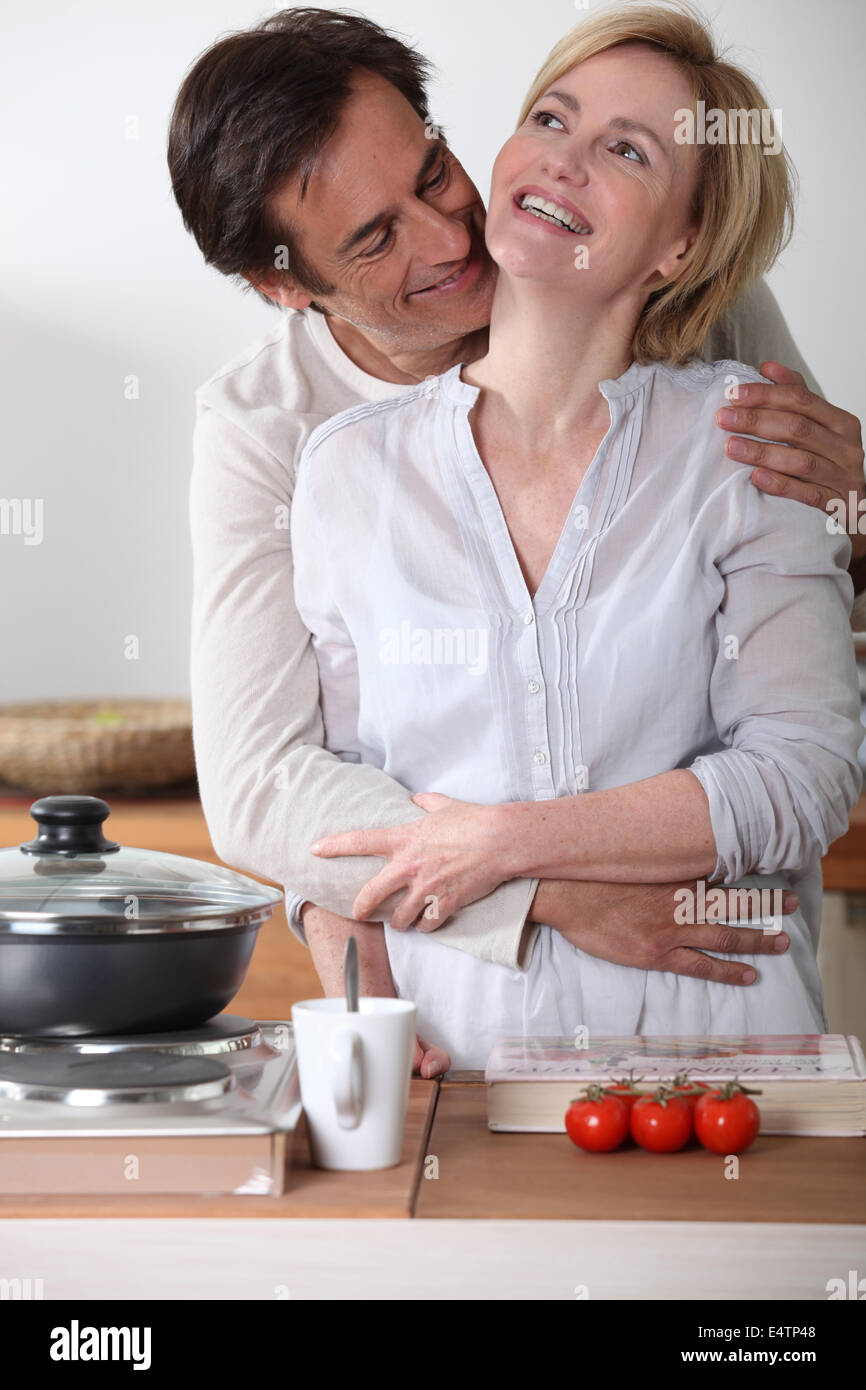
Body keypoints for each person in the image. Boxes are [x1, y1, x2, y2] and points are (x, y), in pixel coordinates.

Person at [168, 6, 866, 1075]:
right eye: (374, 238)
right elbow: (270, 783)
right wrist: (535, 896)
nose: (451, 240)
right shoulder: (285, 437)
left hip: (724, 1021)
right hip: (468, 1023)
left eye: (434, 173)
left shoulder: (713, 337)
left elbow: (809, 652)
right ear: (284, 285)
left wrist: (858, 503)